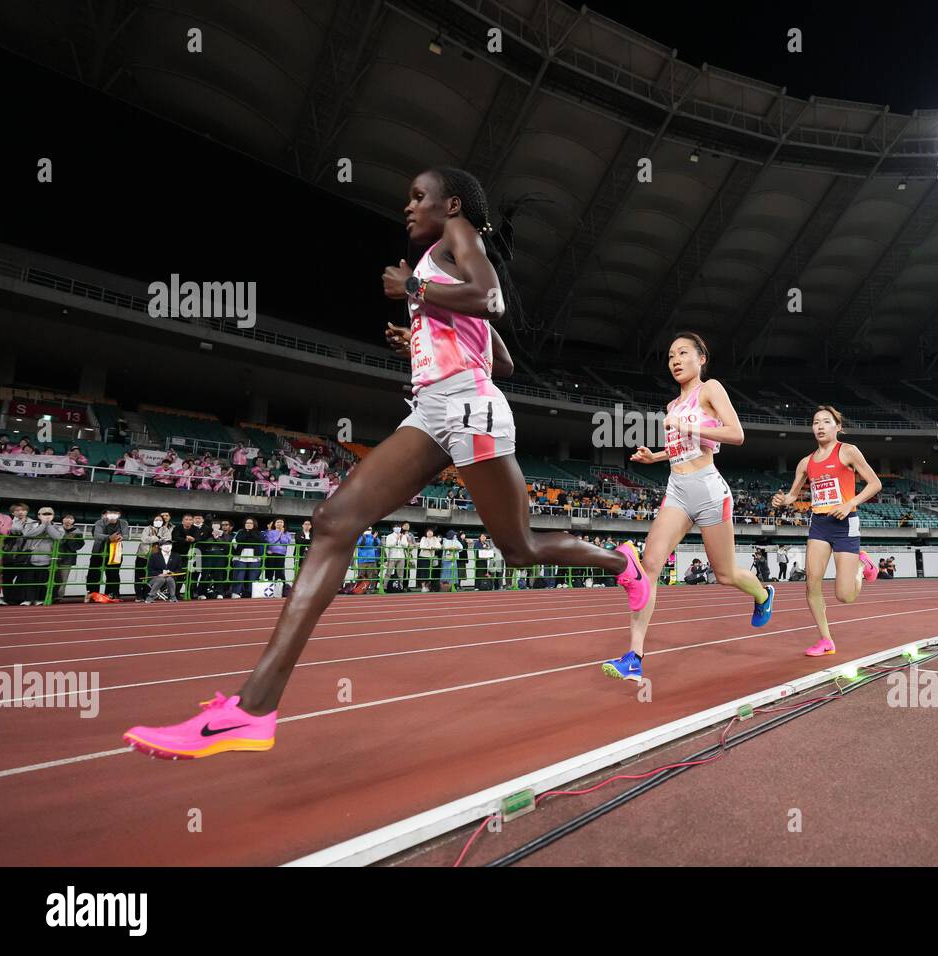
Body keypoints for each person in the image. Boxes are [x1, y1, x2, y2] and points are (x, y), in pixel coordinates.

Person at [124, 165, 650, 758]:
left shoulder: (459, 240)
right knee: (334, 520)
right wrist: (424, 333)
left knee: (518, 550)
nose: (409, 205)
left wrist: (416, 295)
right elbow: (496, 354)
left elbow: (491, 299)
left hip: (469, 411)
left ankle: (620, 563)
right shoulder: (438, 261)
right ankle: (252, 709)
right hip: (429, 412)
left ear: (450, 204)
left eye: (418, 196)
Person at [602, 332, 771, 683]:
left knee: (724, 574)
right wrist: (657, 455)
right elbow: (686, 445)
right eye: (670, 356)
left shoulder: (710, 390)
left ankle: (762, 592)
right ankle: (634, 655)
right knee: (649, 565)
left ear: (701, 359)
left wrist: (683, 423)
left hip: (709, 489)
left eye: (683, 353)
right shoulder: (671, 406)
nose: (675, 360)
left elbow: (736, 434)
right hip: (676, 489)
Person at [769, 406, 882, 657]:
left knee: (844, 596)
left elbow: (875, 483)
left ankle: (862, 568)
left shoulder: (848, 451)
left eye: (826, 422)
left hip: (845, 523)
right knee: (812, 584)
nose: (820, 426)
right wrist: (783, 501)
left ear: (837, 427)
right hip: (819, 524)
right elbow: (793, 495)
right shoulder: (805, 463)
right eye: (815, 422)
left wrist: (851, 502)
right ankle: (826, 640)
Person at [88, 509, 127, 603]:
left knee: (113, 574)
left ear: (119, 514)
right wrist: (109, 538)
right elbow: (97, 535)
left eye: (116, 513)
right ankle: (93, 594)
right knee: (94, 574)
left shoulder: (123, 523)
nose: (113, 515)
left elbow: (125, 535)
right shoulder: (100, 522)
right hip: (98, 551)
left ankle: (113, 594)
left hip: (115, 552)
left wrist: (120, 537)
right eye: (110, 513)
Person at [53, 513, 86, 602]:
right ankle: (48, 595)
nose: (68, 520)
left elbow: (79, 545)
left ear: (74, 521)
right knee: (51, 577)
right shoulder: (56, 529)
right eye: (66, 518)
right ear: (62, 519)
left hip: (67, 558)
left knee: (63, 579)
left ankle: (58, 597)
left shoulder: (77, 532)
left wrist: (68, 540)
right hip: (54, 557)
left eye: (71, 518)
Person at [231, 517, 266, 598]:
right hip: (240, 556)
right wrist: (249, 538)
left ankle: (250, 593)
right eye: (247, 523)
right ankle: (236, 592)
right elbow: (238, 540)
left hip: (254, 557)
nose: (248, 525)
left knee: (252, 577)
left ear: (254, 524)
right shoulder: (240, 532)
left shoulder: (258, 533)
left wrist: (250, 536)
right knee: (239, 576)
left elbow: (261, 541)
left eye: (250, 523)